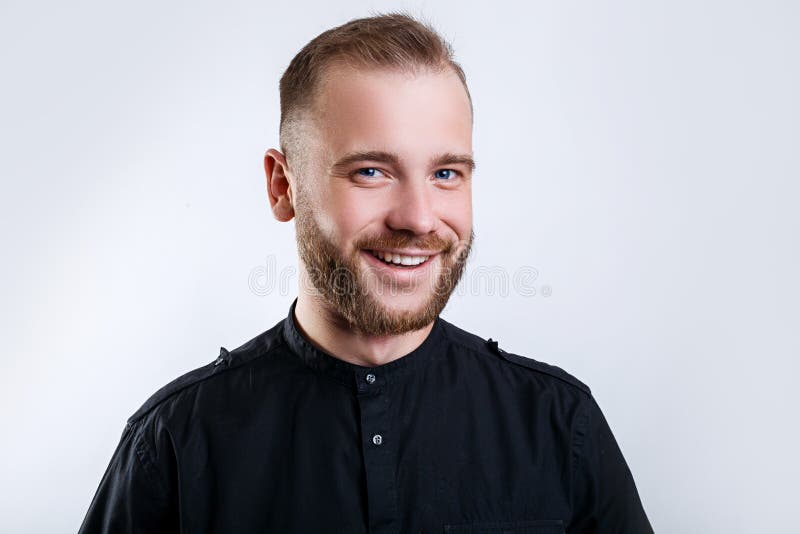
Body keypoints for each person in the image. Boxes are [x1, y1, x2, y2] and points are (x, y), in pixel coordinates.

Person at [78, 12, 653, 534]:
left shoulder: (560, 426)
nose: (420, 217)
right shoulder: (174, 444)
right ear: (284, 187)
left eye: (447, 173)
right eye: (372, 171)